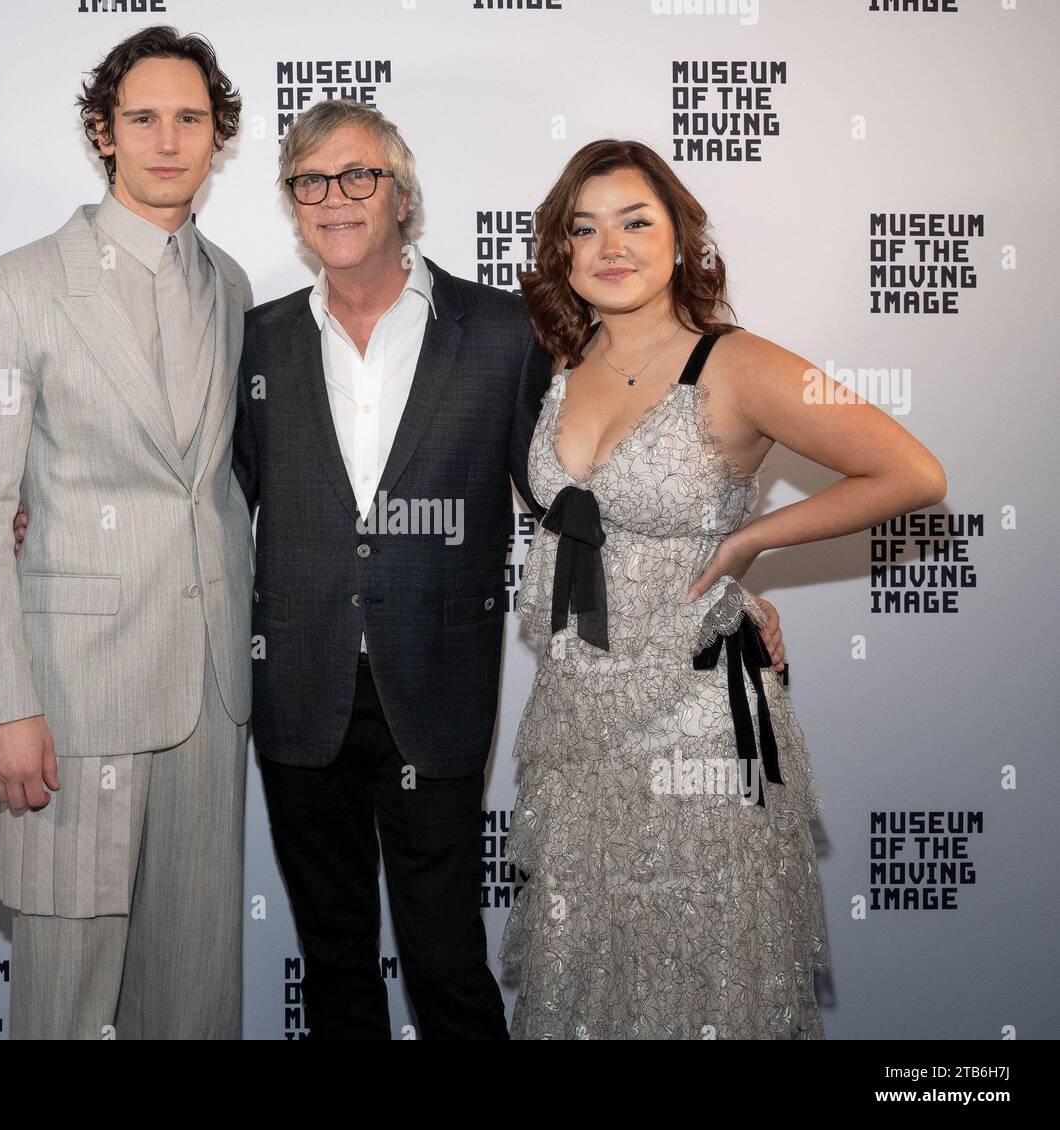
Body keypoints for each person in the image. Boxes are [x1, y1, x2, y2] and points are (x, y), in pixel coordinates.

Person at [232, 101, 786, 1039]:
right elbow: (210, 494)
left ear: (402, 197)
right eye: (312, 182)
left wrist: (725, 574)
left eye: (359, 176)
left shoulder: (500, 332)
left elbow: (578, 486)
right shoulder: (257, 341)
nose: (336, 198)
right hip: (296, 683)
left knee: (448, 962)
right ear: (294, 204)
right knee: (332, 963)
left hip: (436, 690)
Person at [500, 139, 947, 1039]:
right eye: (583, 230)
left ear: (679, 239)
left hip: (700, 712)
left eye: (636, 221)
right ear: (562, 254)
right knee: (592, 962)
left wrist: (750, 542)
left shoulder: (735, 363)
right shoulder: (554, 364)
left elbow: (911, 472)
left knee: (703, 965)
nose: (610, 246)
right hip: (577, 716)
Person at [0, 27, 254, 1039]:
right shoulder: (14, 286)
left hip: (210, 691)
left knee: (194, 993)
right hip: (72, 697)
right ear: (101, 133)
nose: (168, 140)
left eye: (190, 119)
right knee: (65, 1000)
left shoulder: (233, 286)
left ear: (219, 138)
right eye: (142, 117)